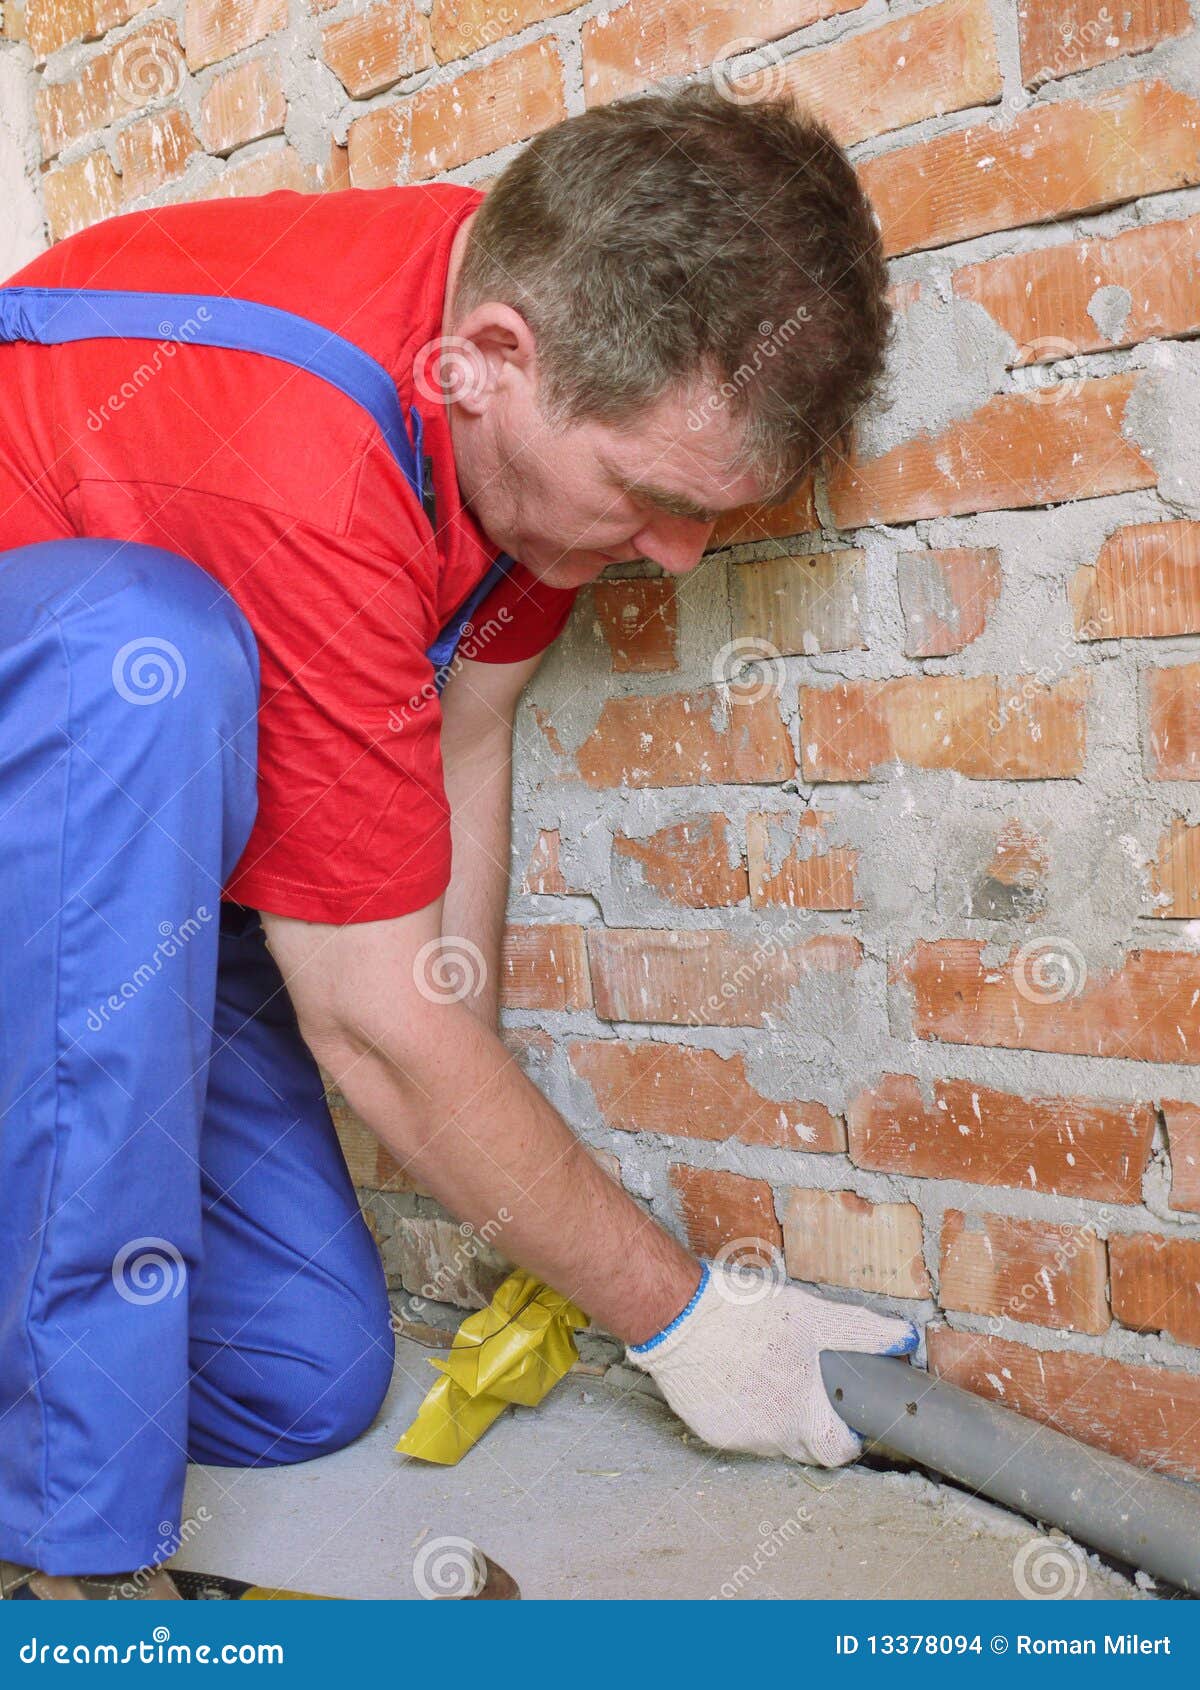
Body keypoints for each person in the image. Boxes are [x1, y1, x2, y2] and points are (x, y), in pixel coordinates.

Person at [0, 82, 917, 1600]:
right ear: (492, 360)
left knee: (299, 1367)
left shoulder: (522, 430)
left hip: (93, 887)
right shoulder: (306, 434)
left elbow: (461, 758)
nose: (678, 553)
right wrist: (679, 1313)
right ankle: (60, 1560)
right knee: (132, 661)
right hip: (65, 795)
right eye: (654, 498)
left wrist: (460, 1085)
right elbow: (370, 1021)